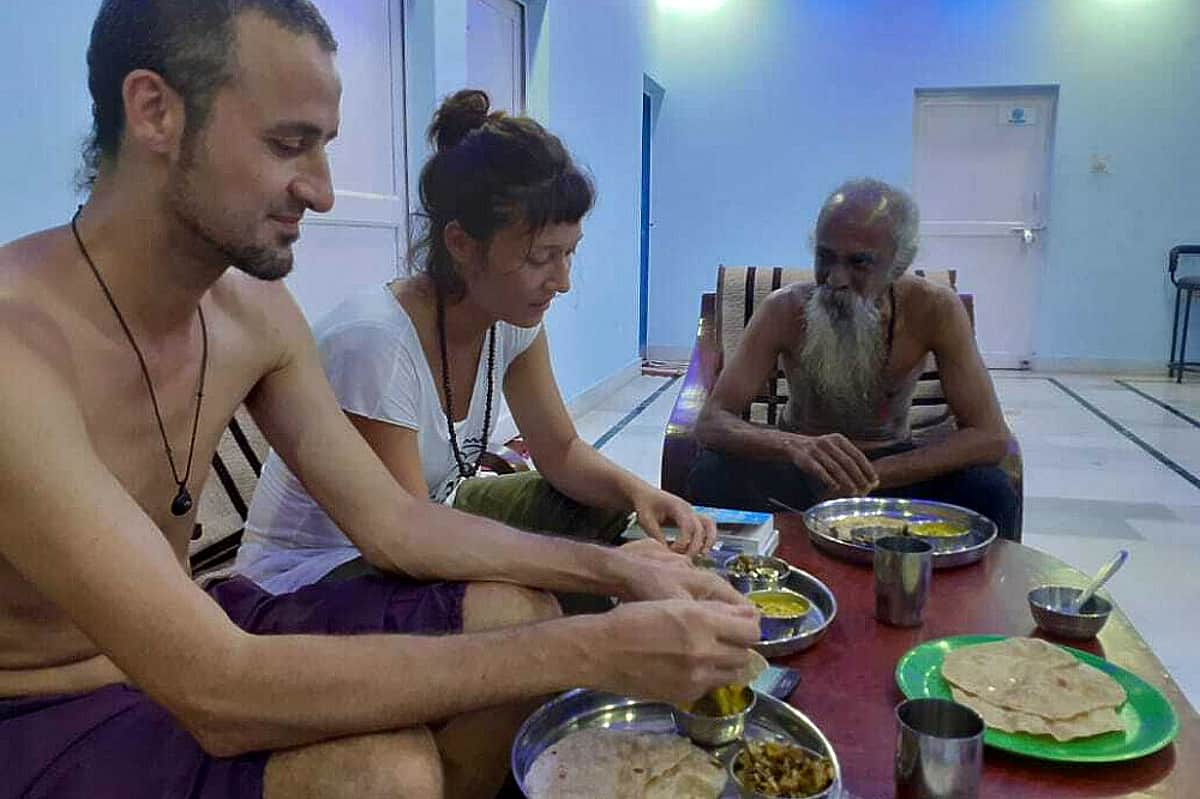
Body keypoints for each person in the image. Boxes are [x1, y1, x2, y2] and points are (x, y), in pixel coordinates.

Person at [0, 3, 758, 798]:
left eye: (324, 147)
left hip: (205, 620)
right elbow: (218, 690)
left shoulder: (251, 315)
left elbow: (396, 523)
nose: (323, 192)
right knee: (383, 774)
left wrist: (617, 573)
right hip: (43, 702)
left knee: (513, 611)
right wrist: (598, 645)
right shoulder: (20, 349)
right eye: (288, 144)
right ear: (155, 111)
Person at [235, 89, 716, 595]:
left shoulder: (513, 321)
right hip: (325, 572)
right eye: (539, 258)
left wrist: (641, 493)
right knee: (508, 603)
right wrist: (593, 568)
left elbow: (562, 451)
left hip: (424, 523)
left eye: (568, 254)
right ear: (461, 243)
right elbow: (408, 543)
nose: (562, 280)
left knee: (600, 506)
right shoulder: (376, 344)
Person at [689, 178, 1019, 539]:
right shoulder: (783, 309)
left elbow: (990, 436)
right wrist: (796, 446)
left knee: (991, 489)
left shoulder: (935, 308)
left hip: (895, 468)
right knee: (711, 473)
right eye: (825, 257)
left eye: (859, 262)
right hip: (799, 465)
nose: (835, 279)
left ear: (899, 263)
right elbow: (712, 421)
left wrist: (875, 476)